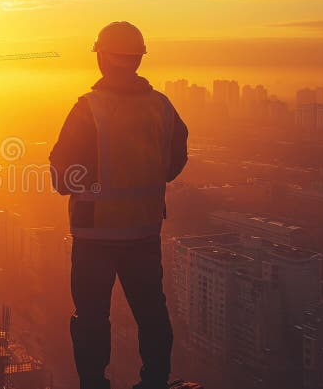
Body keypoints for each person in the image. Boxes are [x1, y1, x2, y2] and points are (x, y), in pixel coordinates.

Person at [49, 21, 188, 389]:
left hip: (94, 234)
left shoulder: (89, 108)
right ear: (138, 59)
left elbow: (61, 175)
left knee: (92, 317)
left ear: (102, 58)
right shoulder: (162, 107)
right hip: (144, 232)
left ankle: (94, 383)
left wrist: (89, 181)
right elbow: (174, 161)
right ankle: (155, 380)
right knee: (151, 312)